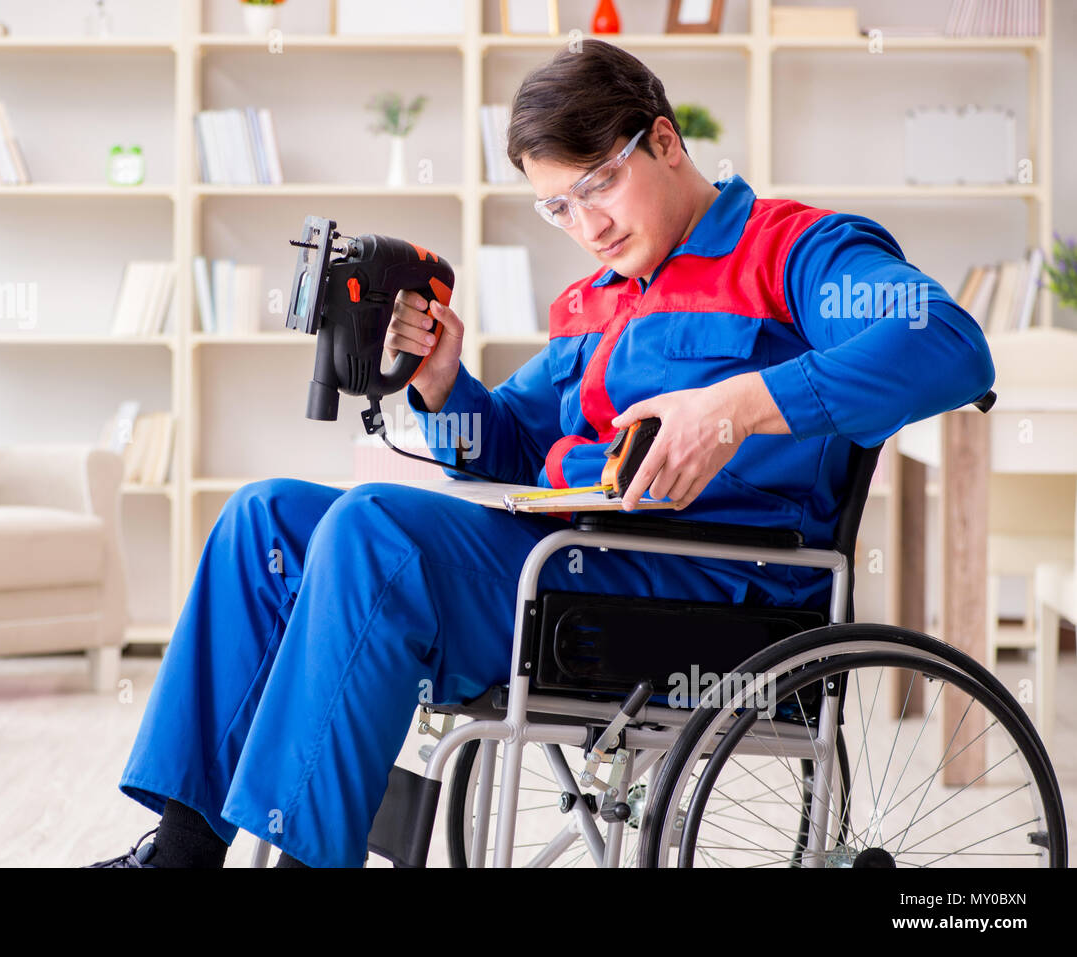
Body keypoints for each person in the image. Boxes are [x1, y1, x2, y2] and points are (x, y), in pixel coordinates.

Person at [88, 39, 994, 868]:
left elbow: (950, 345)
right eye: (557, 205)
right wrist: (445, 384)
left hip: (708, 602)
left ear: (666, 143)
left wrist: (737, 406)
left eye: (598, 185)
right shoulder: (597, 301)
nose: (586, 226)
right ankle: (180, 853)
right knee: (263, 519)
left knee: (374, 532)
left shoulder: (796, 252)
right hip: (568, 570)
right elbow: (508, 446)